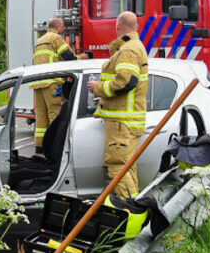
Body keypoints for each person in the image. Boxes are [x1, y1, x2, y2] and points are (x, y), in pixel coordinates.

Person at [88, 11, 148, 201]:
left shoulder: (128, 50)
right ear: (136, 26)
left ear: (118, 27)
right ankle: (135, 208)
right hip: (127, 120)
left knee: (117, 168)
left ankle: (132, 210)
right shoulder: (135, 47)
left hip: (122, 121)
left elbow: (126, 82)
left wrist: (98, 88)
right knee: (127, 168)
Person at [30, 17, 77, 149]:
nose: (64, 29)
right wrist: (81, 58)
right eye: (62, 27)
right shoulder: (56, 38)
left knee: (41, 115)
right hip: (51, 84)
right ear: (57, 27)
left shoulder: (40, 40)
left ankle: (39, 146)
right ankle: (55, 146)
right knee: (55, 114)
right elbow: (69, 57)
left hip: (38, 83)